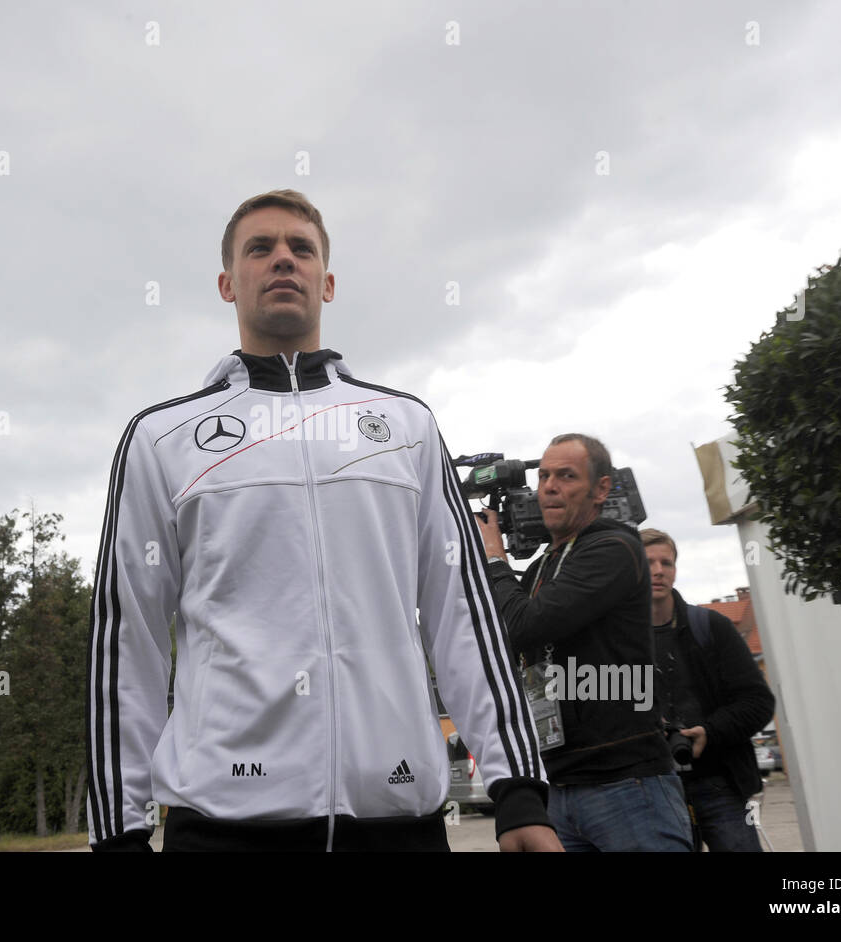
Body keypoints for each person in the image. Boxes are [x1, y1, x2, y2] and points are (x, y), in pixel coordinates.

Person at [86, 189, 559, 852]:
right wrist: (119, 832)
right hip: (224, 831)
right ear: (228, 282)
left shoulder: (406, 428)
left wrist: (518, 790)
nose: (283, 259)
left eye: (300, 248)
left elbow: (462, 615)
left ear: (327, 282)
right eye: (261, 248)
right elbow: (125, 642)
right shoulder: (163, 439)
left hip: (397, 826)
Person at [475, 435, 693, 851]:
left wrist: (494, 560)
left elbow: (526, 625)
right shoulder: (542, 566)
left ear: (602, 489)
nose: (549, 487)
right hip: (560, 786)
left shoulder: (614, 546)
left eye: (566, 476)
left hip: (628, 785)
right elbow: (503, 635)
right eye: (543, 477)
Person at [639, 528, 775, 852]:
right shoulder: (616, 641)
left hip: (719, 784)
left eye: (666, 563)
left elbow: (758, 701)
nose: (658, 571)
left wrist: (709, 732)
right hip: (651, 791)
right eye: (648, 563)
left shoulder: (712, 627)